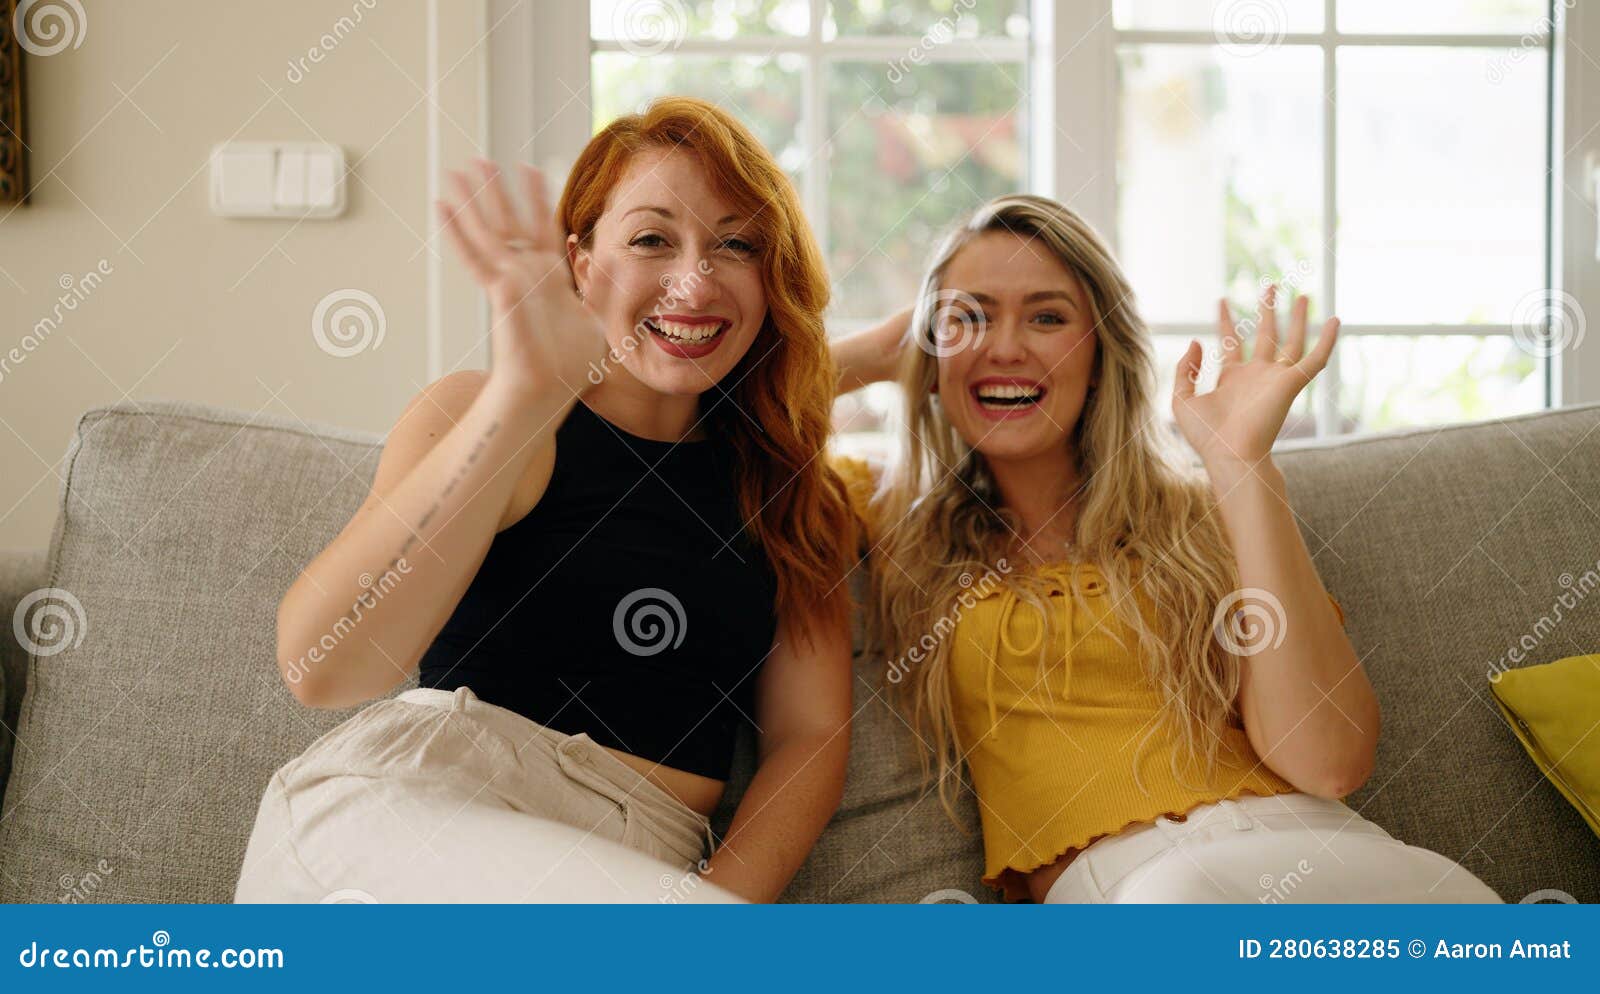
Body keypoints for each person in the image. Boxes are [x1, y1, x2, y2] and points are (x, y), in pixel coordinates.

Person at [236, 97, 857, 904]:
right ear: (582, 263)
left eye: (736, 244)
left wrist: (714, 914)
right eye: (652, 239)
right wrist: (526, 395)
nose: (694, 279)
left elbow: (810, 739)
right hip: (413, 804)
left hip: (637, 867)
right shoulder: (490, 416)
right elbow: (324, 669)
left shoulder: (792, 493)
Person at [829, 194, 1502, 904]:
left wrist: (1242, 465)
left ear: (1100, 353)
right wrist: (873, 357)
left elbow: (1329, 761)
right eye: (970, 318)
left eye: (1048, 317)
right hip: (1141, 891)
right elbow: (741, 425)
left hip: (1339, 857)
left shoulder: (1207, 512)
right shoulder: (892, 517)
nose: (1005, 348)